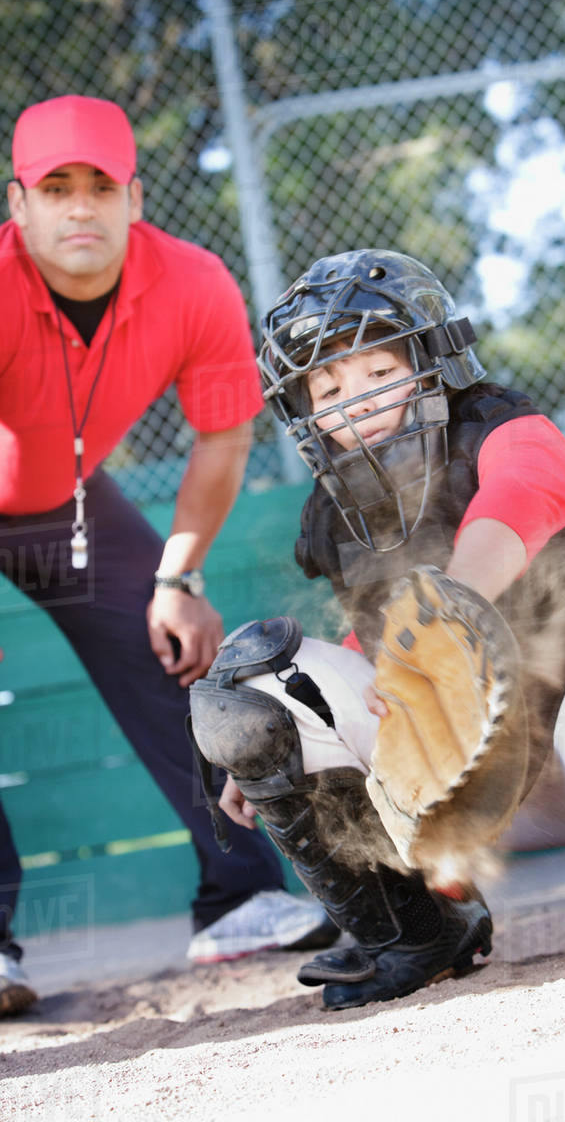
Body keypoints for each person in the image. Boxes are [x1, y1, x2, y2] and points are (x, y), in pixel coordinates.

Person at [189, 248, 565, 1012]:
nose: (355, 401)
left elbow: (515, 501)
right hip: (446, 795)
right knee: (249, 687)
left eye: (378, 372)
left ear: (433, 358)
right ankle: (418, 929)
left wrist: (448, 607)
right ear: (300, 409)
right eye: (328, 386)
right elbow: (359, 651)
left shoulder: (502, 427)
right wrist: (266, 754)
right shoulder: (331, 513)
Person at [0, 96, 336, 1018]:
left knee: (177, 650)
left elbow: (221, 441)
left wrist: (178, 577)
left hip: (65, 502)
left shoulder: (192, 284)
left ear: (134, 198)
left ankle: (238, 899)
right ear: (18, 202)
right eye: (55, 187)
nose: (79, 208)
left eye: (99, 186)